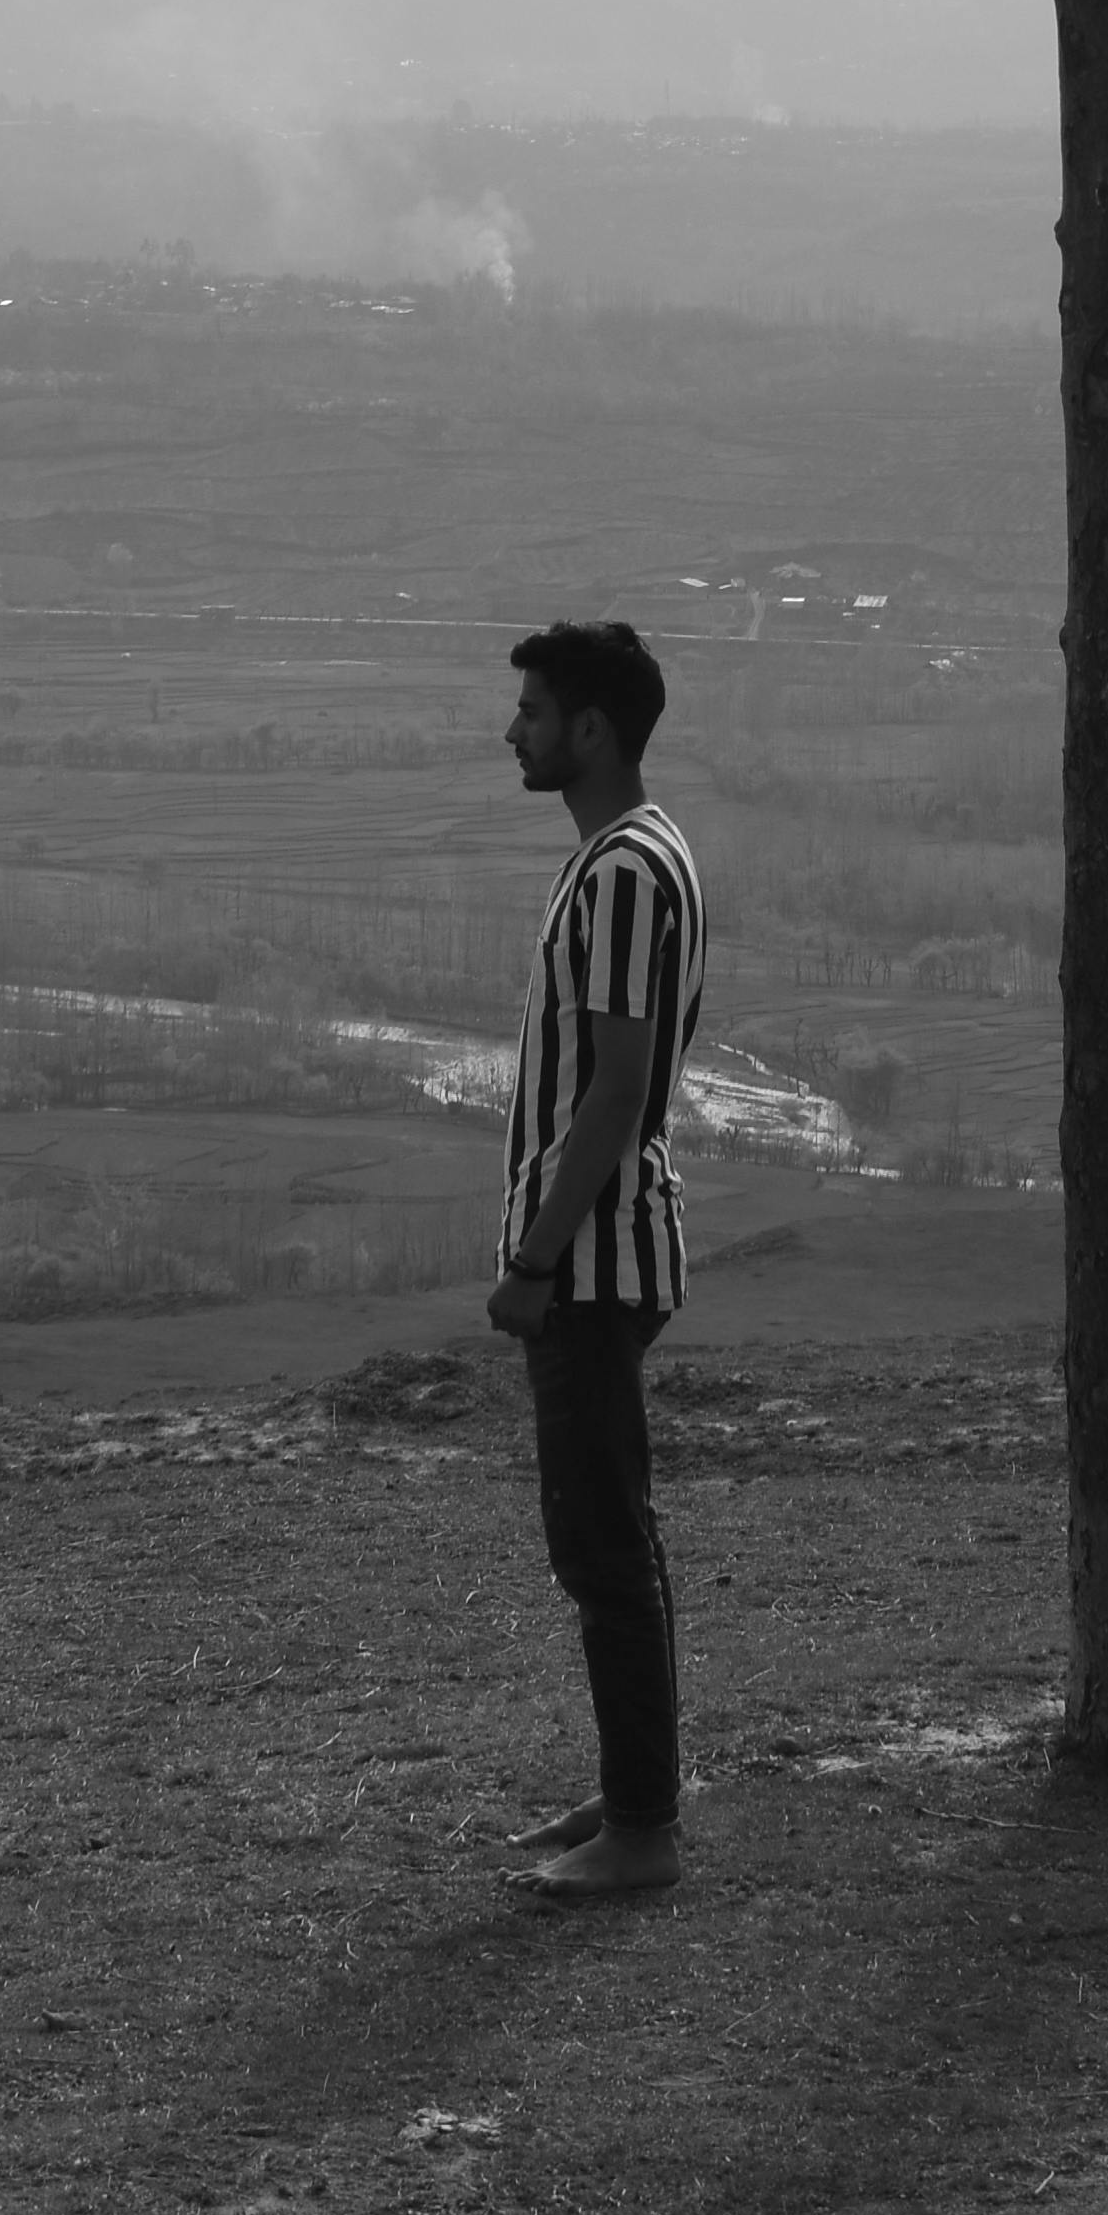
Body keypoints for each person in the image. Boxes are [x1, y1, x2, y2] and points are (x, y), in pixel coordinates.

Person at [484, 617, 707, 1902]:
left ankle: (641, 1832)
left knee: (601, 1547)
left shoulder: (621, 872)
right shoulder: (642, 851)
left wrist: (534, 1256)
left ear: (591, 730)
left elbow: (617, 1093)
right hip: (607, 1252)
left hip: (595, 1262)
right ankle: (639, 1792)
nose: (511, 729)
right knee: (617, 1538)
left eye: (530, 710)